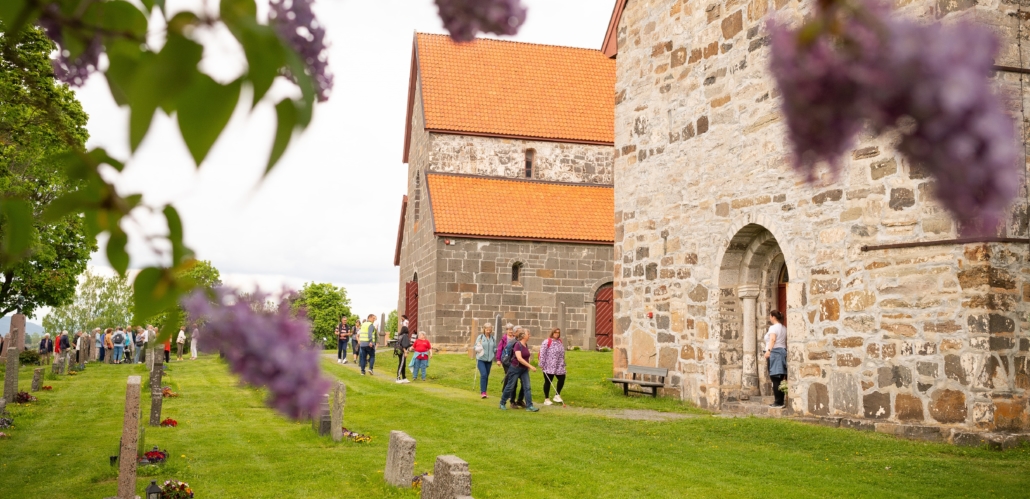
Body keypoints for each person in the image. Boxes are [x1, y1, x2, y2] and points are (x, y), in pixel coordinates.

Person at [500, 330, 538, 412]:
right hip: (515, 368)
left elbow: (526, 357)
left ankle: (529, 406)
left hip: (524, 370)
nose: (530, 335)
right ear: (524, 336)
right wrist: (530, 366)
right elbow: (519, 358)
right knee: (510, 386)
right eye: (528, 334)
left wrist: (527, 365)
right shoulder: (517, 345)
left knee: (527, 387)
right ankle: (502, 403)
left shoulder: (525, 345)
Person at [764, 310, 788, 408]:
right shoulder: (784, 328)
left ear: (773, 317)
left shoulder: (773, 328)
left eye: (770, 316)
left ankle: (778, 402)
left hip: (775, 353)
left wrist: (768, 351)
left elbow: (772, 339)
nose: (770, 318)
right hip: (782, 352)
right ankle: (780, 400)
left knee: (775, 377)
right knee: (780, 377)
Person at [497, 326, 525, 408]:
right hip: (512, 365)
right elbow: (506, 355)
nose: (521, 334)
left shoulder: (523, 342)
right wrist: (510, 366)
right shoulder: (512, 342)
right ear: (515, 333)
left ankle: (520, 400)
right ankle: (512, 401)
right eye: (520, 332)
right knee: (513, 383)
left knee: (524, 383)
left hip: (522, 366)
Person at [539, 328, 567, 406]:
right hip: (549, 365)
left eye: (558, 332)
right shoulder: (547, 342)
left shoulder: (559, 341)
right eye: (555, 332)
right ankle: (546, 399)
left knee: (562, 378)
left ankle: (557, 395)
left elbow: (562, 354)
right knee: (548, 381)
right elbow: (542, 353)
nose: (557, 334)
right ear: (552, 333)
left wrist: (563, 363)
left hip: (559, 365)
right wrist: (542, 364)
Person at [474, 324, 497, 398]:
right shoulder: (480, 337)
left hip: (489, 360)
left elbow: (494, 348)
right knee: (483, 374)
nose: (488, 329)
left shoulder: (493, 338)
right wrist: (478, 348)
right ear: (484, 329)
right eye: (487, 328)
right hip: (481, 359)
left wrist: (497, 351)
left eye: (490, 328)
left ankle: (485, 391)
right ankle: (483, 392)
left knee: (486, 376)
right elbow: (475, 346)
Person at [394, 319, 412, 383]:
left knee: (403, 364)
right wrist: (405, 352)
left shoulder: (400, 335)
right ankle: (398, 378)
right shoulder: (405, 336)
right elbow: (404, 345)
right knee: (401, 364)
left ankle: (404, 377)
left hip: (399, 351)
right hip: (402, 352)